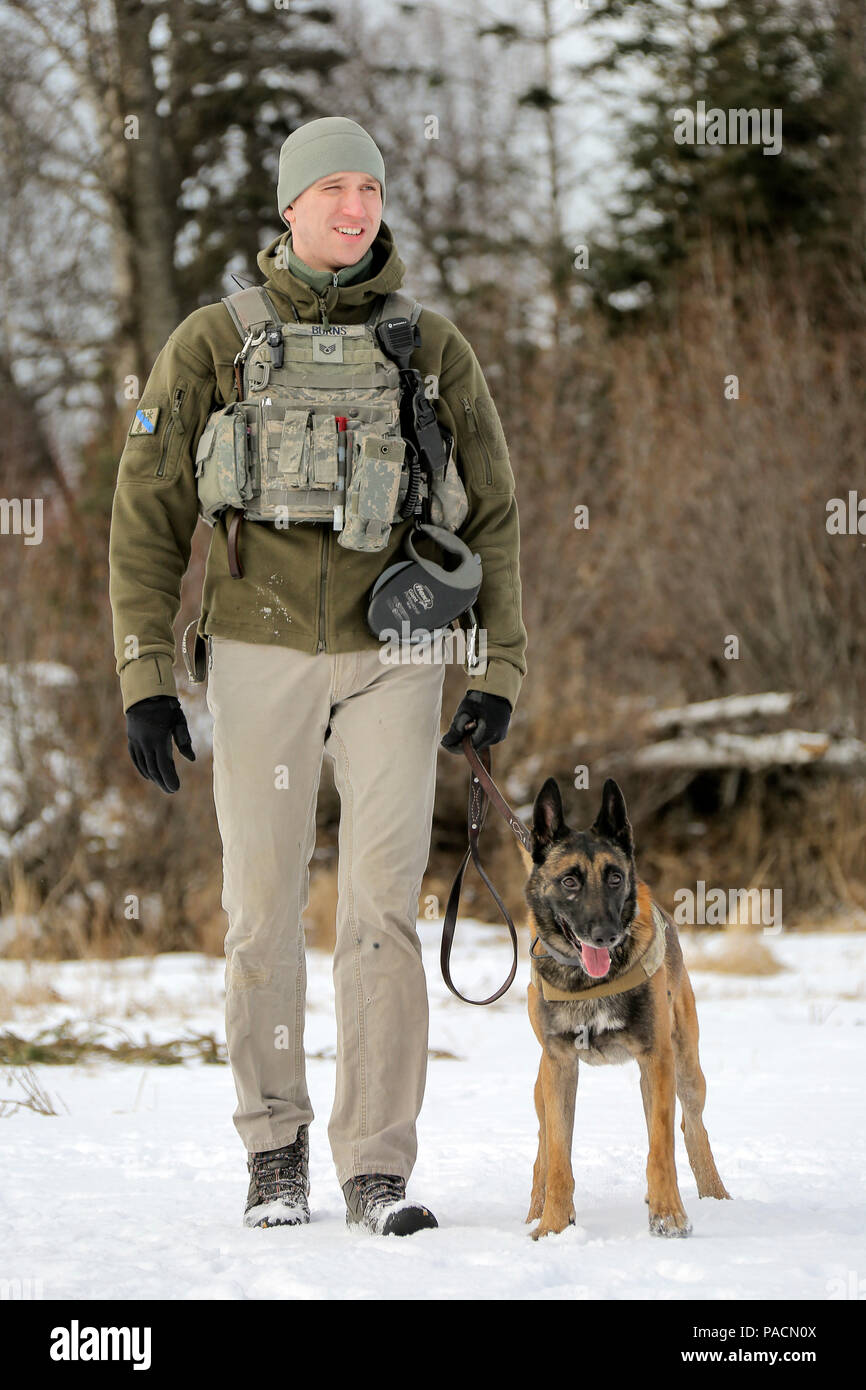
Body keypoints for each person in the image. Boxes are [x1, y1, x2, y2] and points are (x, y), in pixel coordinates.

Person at [109, 117, 527, 1236]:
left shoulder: (430, 347)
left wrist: (499, 663)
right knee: (260, 913)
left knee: (381, 912)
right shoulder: (212, 341)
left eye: (369, 189)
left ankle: (376, 1167)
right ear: (289, 207)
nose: (355, 207)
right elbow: (145, 512)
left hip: (397, 659)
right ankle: (274, 1152)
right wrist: (147, 669)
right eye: (332, 188)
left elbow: (493, 511)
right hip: (256, 651)